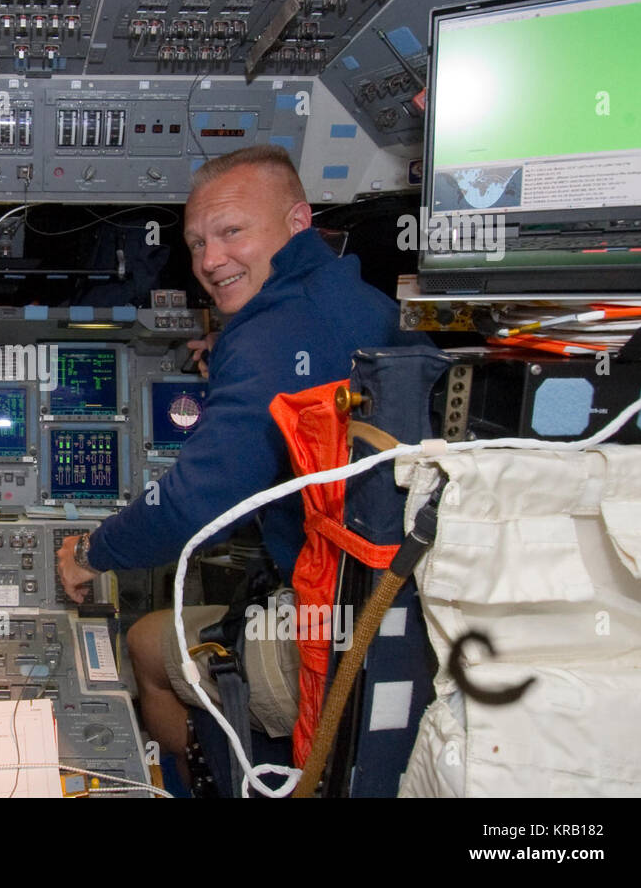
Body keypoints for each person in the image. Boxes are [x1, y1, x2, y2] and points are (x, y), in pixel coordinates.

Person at [56, 144, 424, 781]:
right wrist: (236, 357)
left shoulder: (270, 333)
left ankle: (218, 780)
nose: (210, 260)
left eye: (232, 232)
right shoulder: (348, 295)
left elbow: (197, 506)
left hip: (336, 637)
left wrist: (89, 552)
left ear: (299, 222)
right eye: (197, 243)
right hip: (392, 614)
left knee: (145, 646)